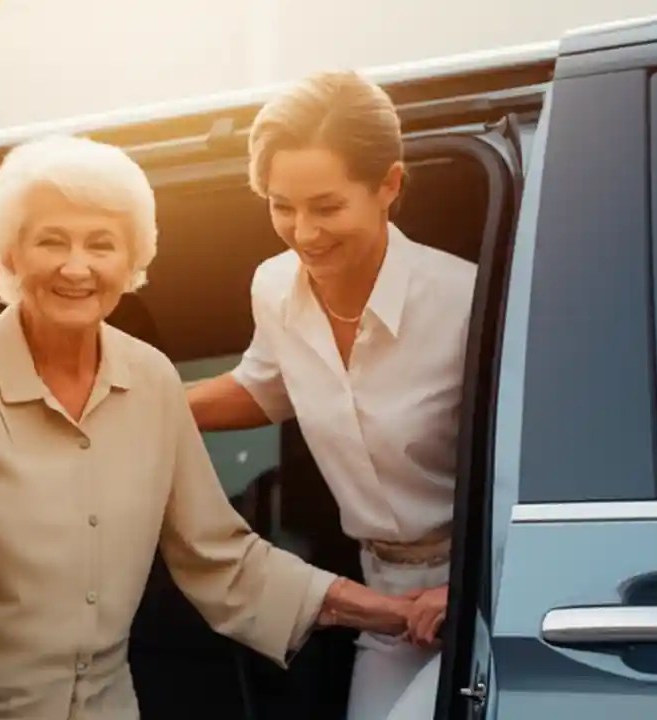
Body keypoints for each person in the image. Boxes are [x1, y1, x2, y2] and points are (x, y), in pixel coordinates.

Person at [0, 135, 410, 720]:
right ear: (10, 253)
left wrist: (397, 612)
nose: (77, 267)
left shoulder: (152, 381)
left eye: (101, 244)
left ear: (130, 261)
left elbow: (223, 559)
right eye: (51, 241)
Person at [186, 71, 476, 719]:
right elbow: (264, 388)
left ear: (388, 185)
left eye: (327, 206)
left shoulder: (466, 300)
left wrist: (468, 587)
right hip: (385, 598)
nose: (304, 232)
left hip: (482, 588)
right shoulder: (273, 287)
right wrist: (144, 403)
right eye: (282, 206)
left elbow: (532, 463)